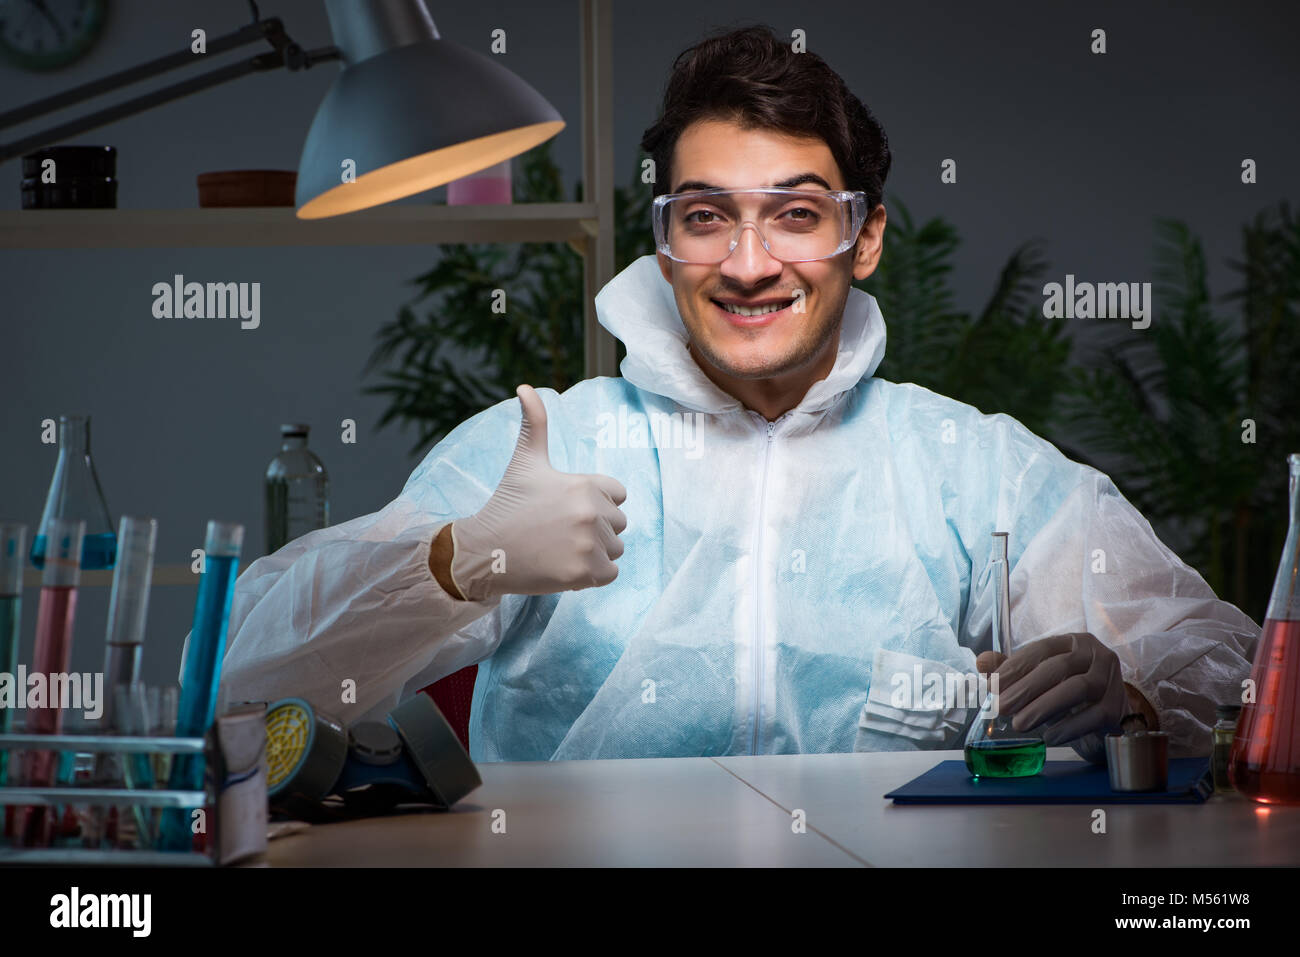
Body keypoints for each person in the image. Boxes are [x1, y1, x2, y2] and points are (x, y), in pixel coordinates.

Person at [210, 25, 1259, 763]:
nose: (749, 263)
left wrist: (1126, 703)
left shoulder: (972, 466)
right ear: (664, 244)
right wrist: (460, 558)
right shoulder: (546, 447)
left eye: (796, 215)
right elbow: (243, 685)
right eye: (707, 217)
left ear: (867, 235)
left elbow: (1240, 688)